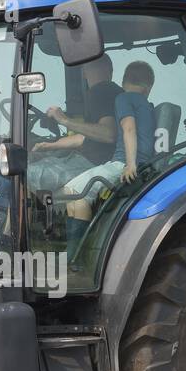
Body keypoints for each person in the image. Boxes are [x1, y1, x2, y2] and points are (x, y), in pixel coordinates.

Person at [62, 60, 156, 246]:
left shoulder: (123, 98)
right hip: (142, 162)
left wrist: (130, 164)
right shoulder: (147, 105)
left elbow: (128, 128)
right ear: (148, 87)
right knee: (76, 193)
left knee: (72, 190)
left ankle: (76, 255)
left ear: (123, 82)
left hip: (123, 163)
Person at [27, 54, 120, 192]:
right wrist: (50, 145)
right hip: (85, 159)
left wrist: (64, 120)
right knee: (31, 162)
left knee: (23, 176)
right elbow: (86, 136)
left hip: (92, 164)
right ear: (111, 70)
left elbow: (108, 134)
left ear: (84, 72)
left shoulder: (102, 90)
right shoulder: (113, 93)